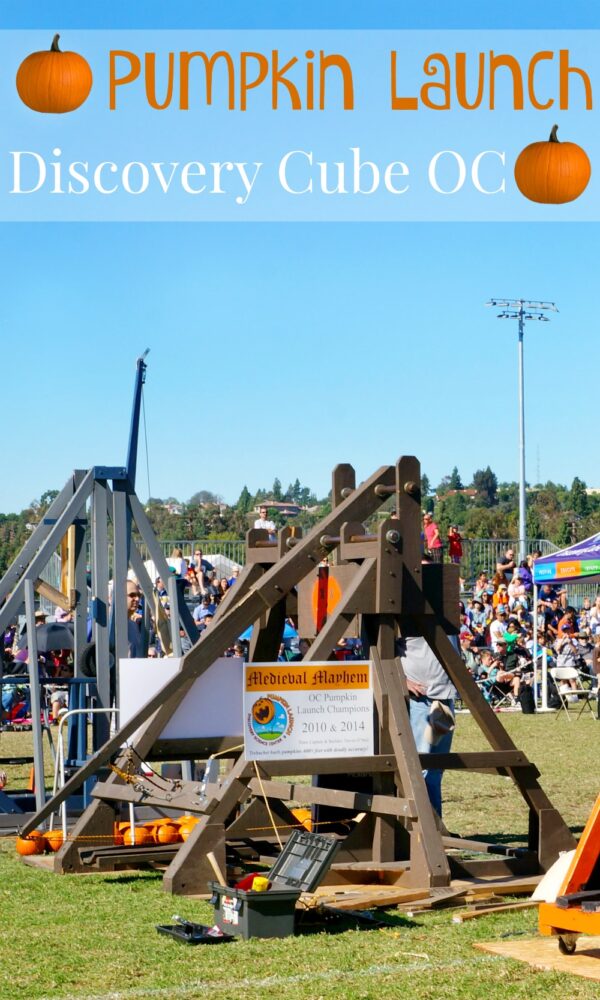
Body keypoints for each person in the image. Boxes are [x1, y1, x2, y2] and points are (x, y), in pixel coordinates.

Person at [397, 633, 456, 817]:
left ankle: (435, 824)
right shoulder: (404, 617)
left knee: (435, 769)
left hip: (445, 697)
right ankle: (423, 826)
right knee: (419, 768)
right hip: (420, 699)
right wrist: (400, 679)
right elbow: (375, 644)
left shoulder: (448, 616)